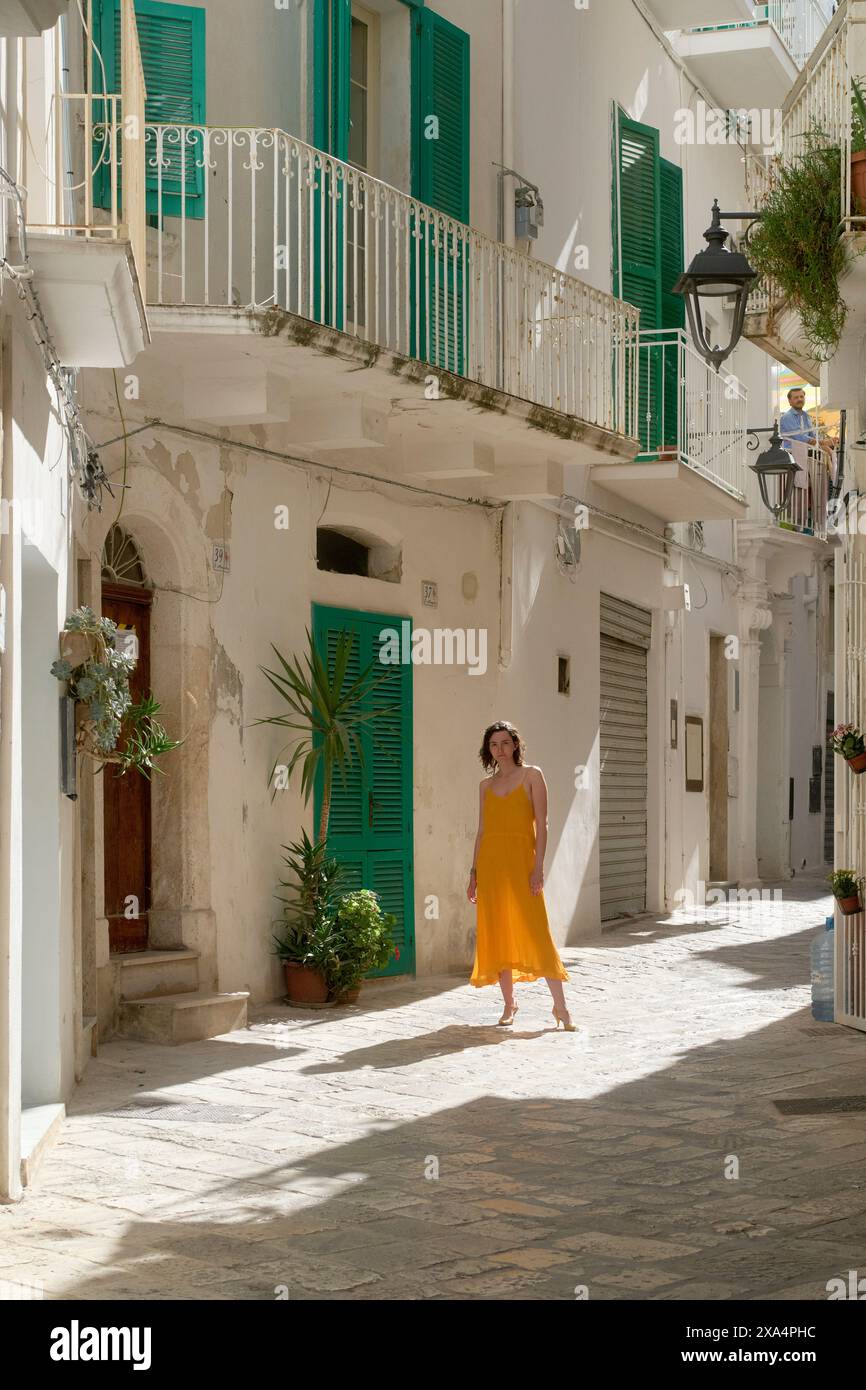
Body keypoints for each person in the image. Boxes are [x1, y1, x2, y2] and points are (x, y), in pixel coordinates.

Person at [466, 720, 575, 1030]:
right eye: (493, 745)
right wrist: (474, 874)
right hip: (491, 867)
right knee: (499, 932)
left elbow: (543, 825)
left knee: (537, 932)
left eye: (504, 743)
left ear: (515, 745)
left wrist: (538, 867)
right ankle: (509, 1004)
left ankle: (561, 1008)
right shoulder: (485, 786)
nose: (499, 749)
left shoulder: (532, 776)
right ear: (489, 750)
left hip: (522, 867)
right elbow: (482, 831)